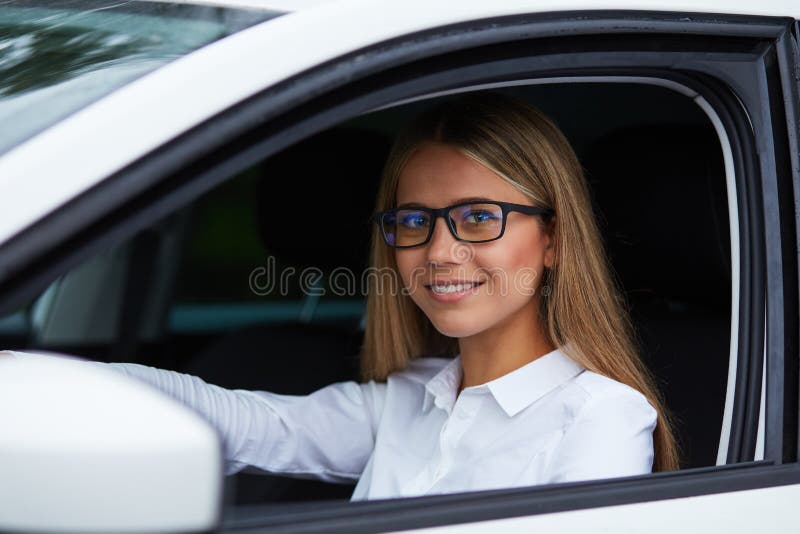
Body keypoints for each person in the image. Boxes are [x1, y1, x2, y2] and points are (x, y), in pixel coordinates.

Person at [2, 91, 680, 500]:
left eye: (479, 218)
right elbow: (243, 423)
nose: (440, 251)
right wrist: (43, 384)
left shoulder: (600, 420)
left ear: (554, 239)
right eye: (413, 222)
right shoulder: (408, 399)